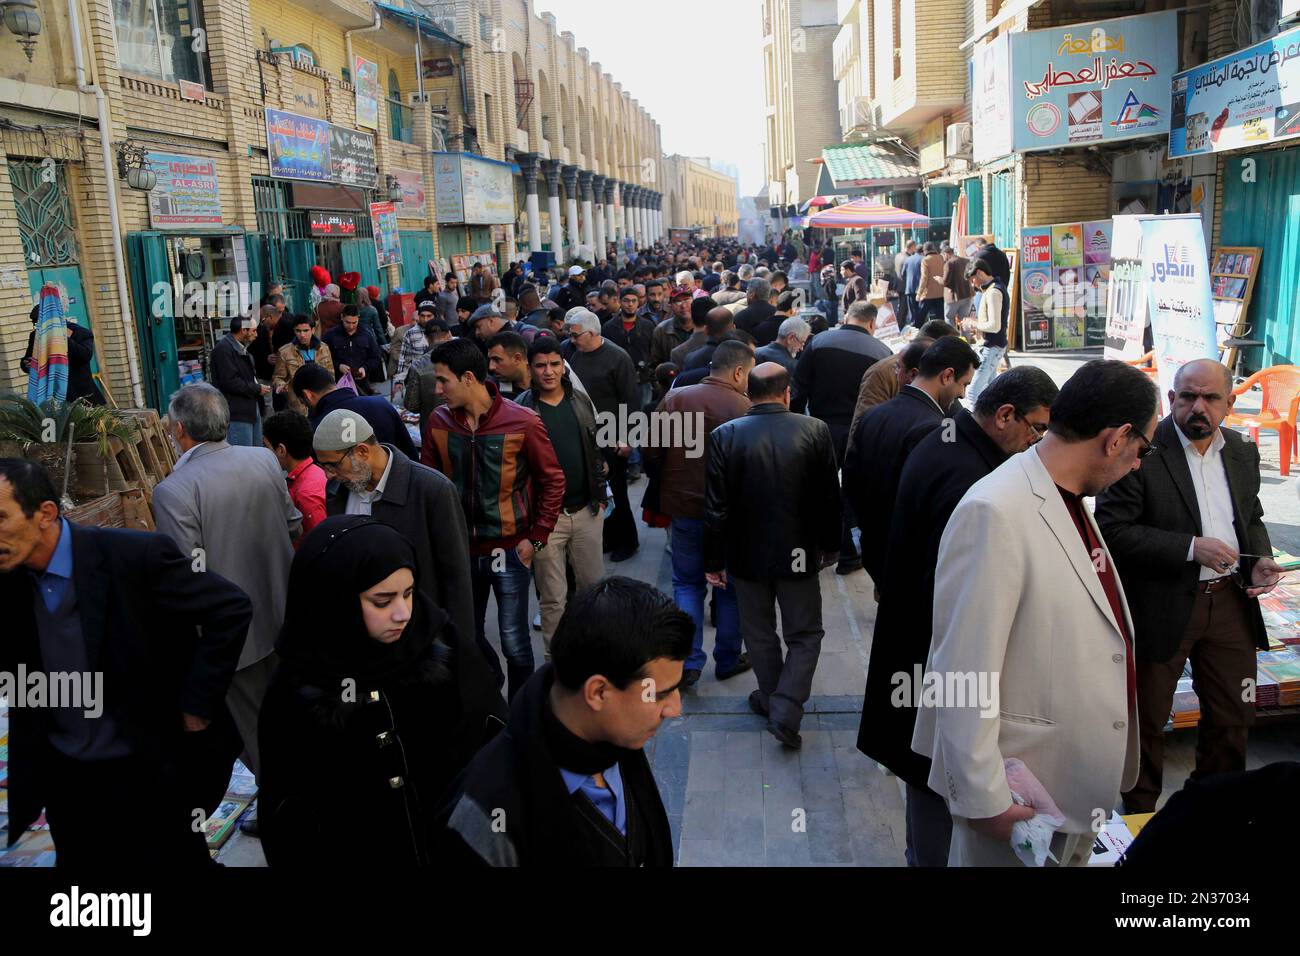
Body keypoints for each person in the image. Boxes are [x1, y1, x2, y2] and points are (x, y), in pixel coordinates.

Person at [911, 359, 1158, 866]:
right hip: (1018, 803)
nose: (1138, 465)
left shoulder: (1063, 496)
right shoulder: (996, 510)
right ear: (1117, 438)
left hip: (1062, 794)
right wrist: (984, 801)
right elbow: (962, 668)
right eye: (1143, 450)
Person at [0, 458, 251, 866]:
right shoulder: (10, 580)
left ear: (45, 513)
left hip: (147, 767)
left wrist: (196, 704)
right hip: (68, 776)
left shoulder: (131, 557)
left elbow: (230, 608)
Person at [857, 367, 1058, 866]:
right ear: (1005, 415)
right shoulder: (976, 478)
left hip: (914, 642)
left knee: (926, 774)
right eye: (1037, 429)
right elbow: (965, 594)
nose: (1038, 443)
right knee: (936, 776)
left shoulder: (950, 442)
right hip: (930, 653)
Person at [258, 516, 505, 866]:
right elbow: (289, 816)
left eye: (408, 593)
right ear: (336, 600)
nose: (403, 613)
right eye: (381, 601)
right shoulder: (296, 691)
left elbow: (495, 746)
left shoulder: (444, 646)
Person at [1095, 359, 1284, 813]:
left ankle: (1212, 813)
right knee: (1147, 720)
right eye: (1187, 396)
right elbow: (1112, 530)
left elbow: (1250, 515)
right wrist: (1189, 547)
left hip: (1229, 603)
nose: (1197, 407)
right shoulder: (1141, 449)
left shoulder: (1240, 450)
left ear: (1230, 403)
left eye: (1210, 398)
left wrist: (1258, 560)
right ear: (1171, 399)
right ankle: (1141, 819)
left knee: (1233, 715)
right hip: (1161, 606)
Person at [435, 577, 690, 867]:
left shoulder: (616, 737)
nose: (675, 709)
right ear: (598, 692)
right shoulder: (484, 817)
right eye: (659, 695)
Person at [152, 384, 300, 782]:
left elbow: (187, 578)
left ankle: (285, 808)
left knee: (257, 733)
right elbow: (293, 522)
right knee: (292, 716)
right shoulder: (263, 460)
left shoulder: (173, 490)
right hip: (284, 614)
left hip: (236, 638)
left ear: (180, 430)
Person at [704, 363, 840, 748]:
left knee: (759, 632)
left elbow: (715, 508)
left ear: (749, 393)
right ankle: (785, 705)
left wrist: (713, 561)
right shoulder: (814, 430)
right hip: (799, 552)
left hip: (746, 553)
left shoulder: (725, 436)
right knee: (805, 632)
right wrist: (831, 546)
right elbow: (830, 497)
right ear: (787, 394)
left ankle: (772, 699)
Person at [421, 338, 565, 700]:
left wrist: (535, 540)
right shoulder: (438, 422)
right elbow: (428, 481)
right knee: (465, 636)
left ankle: (520, 712)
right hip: (458, 551)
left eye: (443, 381)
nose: (438, 390)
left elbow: (552, 480)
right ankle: (488, 699)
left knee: (515, 641)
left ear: (468, 378)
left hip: (510, 550)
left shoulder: (523, 421)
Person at [314, 409, 477, 661]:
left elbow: (456, 580)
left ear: (362, 452)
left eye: (333, 465)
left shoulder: (433, 491)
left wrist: (458, 652)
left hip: (417, 640)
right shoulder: (338, 489)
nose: (328, 474)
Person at [644, 340, 754, 689]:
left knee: (687, 585)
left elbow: (652, 450)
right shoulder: (746, 407)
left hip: (685, 510)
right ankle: (727, 658)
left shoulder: (677, 398)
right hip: (732, 517)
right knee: (731, 590)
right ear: (739, 371)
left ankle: (689, 662)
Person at [844, 336, 980, 587]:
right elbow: (927, 503)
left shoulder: (874, 414)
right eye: (964, 384)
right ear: (947, 375)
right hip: (908, 556)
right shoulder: (935, 429)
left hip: (874, 544)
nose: (962, 393)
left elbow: (851, 478)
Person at [516, 337, 608, 657]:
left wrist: (601, 493)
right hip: (545, 521)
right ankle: (556, 665)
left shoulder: (579, 402)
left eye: (555, 364)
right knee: (553, 598)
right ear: (529, 369)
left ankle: (593, 655)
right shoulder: (521, 409)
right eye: (540, 365)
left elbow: (595, 449)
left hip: (586, 512)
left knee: (592, 593)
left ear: (563, 366)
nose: (548, 371)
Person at [791, 300, 893, 575]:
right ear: (872, 324)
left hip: (819, 426)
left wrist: (794, 423)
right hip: (859, 432)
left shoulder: (820, 341)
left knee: (816, 490)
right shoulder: (883, 353)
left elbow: (798, 388)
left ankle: (815, 550)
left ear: (847, 316)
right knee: (850, 493)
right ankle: (849, 553)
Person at [563, 309, 639, 562]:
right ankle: (607, 537)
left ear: (592, 332)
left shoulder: (618, 358)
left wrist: (628, 438)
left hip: (612, 435)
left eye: (576, 335)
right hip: (585, 436)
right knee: (597, 492)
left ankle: (627, 541)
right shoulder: (573, 355)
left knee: (616, 490)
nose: (571, 340)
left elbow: (630, 400)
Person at [293, 362, 416, 460]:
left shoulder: (317, 429)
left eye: (303, 402)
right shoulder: (381, 404)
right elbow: (410, 454)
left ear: (307, 395)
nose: (306, 406)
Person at [19, 305, 106, 406]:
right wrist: (27, 364)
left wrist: (60, 336)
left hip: (82, 396)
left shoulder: (81, 333)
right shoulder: (36, 335)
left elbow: (85, 356)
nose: (38, 327)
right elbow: (27, 359)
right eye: (35, 324)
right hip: (53, 398)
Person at [262, 410, 328, 541]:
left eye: (266, 446)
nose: (263, 452)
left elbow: (320, 541)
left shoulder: (305, 494)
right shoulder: (316, 471)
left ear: (281, 450)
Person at [209, 314, 268, 447]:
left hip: (250, 408)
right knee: (243, 457)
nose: (256, 334)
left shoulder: (240, 348)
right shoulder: (223, 350)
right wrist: (257, 388)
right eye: (253, 330)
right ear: (243, 330)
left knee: (255, 453)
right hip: (237, 412)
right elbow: (230, 382)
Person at [602, 287, 657, 409]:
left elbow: (653, 353)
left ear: (639, 303)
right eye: (626, 301)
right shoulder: (608, 327)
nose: (630, 304)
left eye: (634, 301)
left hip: (643, 379)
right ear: (620, 302)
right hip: (617, 381)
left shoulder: (648, 326)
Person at [965, 258, 1010, 405]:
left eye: (973, 280)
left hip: (991, 346)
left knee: (972, 393)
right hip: (994, 346)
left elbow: (994, 326)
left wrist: (974, 323)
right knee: (994, 391)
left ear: (979, 273)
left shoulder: (993, 292)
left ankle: (974, 427)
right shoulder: (995, 288)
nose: (973, 284)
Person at [272, 315, 333, 416]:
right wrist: (280, 385)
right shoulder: (284, 351)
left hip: (322, 401)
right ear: (294, 331)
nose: (302, 334)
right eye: (298, 331)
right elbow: (277, 377)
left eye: (305, 330)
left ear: (312, 330)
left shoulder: (324, 348)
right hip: (297, 404)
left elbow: (331, 374)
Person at [403, 318, 455, 436]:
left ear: (426, 337)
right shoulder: (465, 356)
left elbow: (411, 405)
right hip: (463, 428)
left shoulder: (418, 366)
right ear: (449, 334)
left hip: (432, 429)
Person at [324, 307, 383, 395]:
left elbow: (376, 357)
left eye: (354, 322)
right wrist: (338, 366)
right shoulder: (330, 335)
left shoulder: (366, 334)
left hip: (362, 384)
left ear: (358, 318)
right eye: (347, 322)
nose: (351, 326)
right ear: (342, 317)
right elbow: (323, 359)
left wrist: (364, 368)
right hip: (338, 383)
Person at [668, 295, 712, 369]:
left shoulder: (678, 353)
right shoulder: (727, 346)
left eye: (687, 300)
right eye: (678, 302)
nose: (683, 306)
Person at [734, 277, 776, 344]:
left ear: (752, 294)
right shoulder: (777, 313)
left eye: (747, 290)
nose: (746, 293)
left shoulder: (740, 317)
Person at [941, 241, 973, 322]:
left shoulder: (949, 263)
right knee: (965, 320)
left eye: (943, 255)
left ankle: (952, 335)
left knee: (949, 318)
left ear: (946, 254)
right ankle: (965, 335)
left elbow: (945, 281)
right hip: (967, 294)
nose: (943, 258)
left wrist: (939, 279)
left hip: (954, 297)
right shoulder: (966, 260)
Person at [916, 242, 946, 326]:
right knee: (940, 317)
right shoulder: (941, 257)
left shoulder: (925, 260)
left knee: (920, 316)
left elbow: (924, 278)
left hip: (928, 294)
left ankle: (918, 334)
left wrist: (919, 293)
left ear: (925, 251)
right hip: (940, 292)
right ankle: (941, 334)